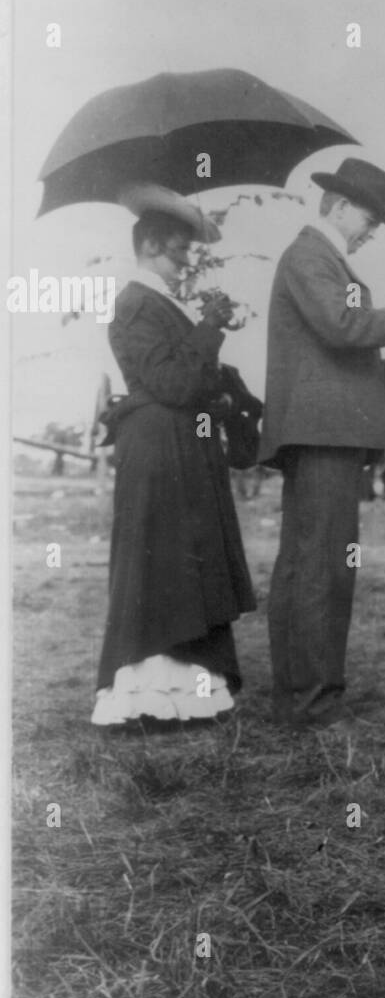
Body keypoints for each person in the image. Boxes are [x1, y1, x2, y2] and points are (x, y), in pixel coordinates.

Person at [259, 158, 385, 730]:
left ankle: (303, 692)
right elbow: (343, 326)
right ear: (339, 207)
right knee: (323, 567)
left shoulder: (316, 258)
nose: (370, 231)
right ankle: (313, 698)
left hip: (322, 435)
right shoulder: (310, 256)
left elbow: (334, 356)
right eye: (369, 218)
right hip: (325, 439)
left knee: (307, 563)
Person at [92, 184, 256, 727]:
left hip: (177, 449)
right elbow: (172, 383)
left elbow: (186, 381)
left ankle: (183, 693)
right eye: (184, 250)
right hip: (159, 451)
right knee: (162, 565)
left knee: (181, 564)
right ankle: (148, 695)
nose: (189, 261)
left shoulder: (156, 301)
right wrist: (209, 328)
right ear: (156, 244)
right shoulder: (136, 302)